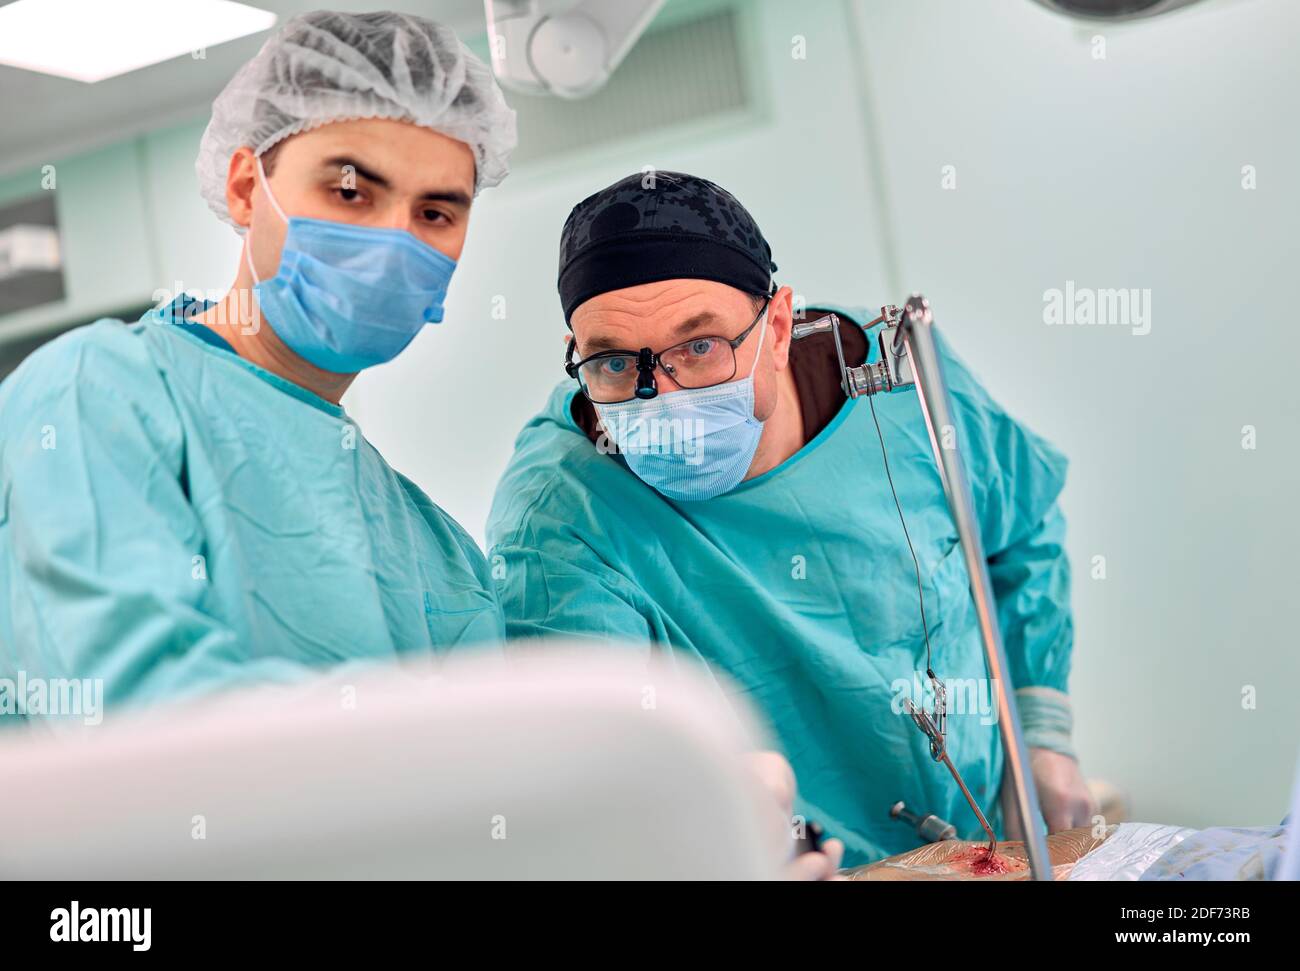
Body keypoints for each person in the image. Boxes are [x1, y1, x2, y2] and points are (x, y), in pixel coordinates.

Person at [487, 170, 1096, 866]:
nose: (663, 395)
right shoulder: (560, 519)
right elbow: (610, 767)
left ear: (777, 327)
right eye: (616, 362)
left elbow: (1020, 532)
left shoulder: (905, 386)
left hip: (994, 830)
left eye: (700, 345)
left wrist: (1042, 733)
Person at [0, 12, 516, 714]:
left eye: (435, 213)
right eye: (350, 192)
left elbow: (497, 756)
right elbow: (137, 713)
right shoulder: (97, 395)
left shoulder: (436, 549)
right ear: (246, 189)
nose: (394, 239)